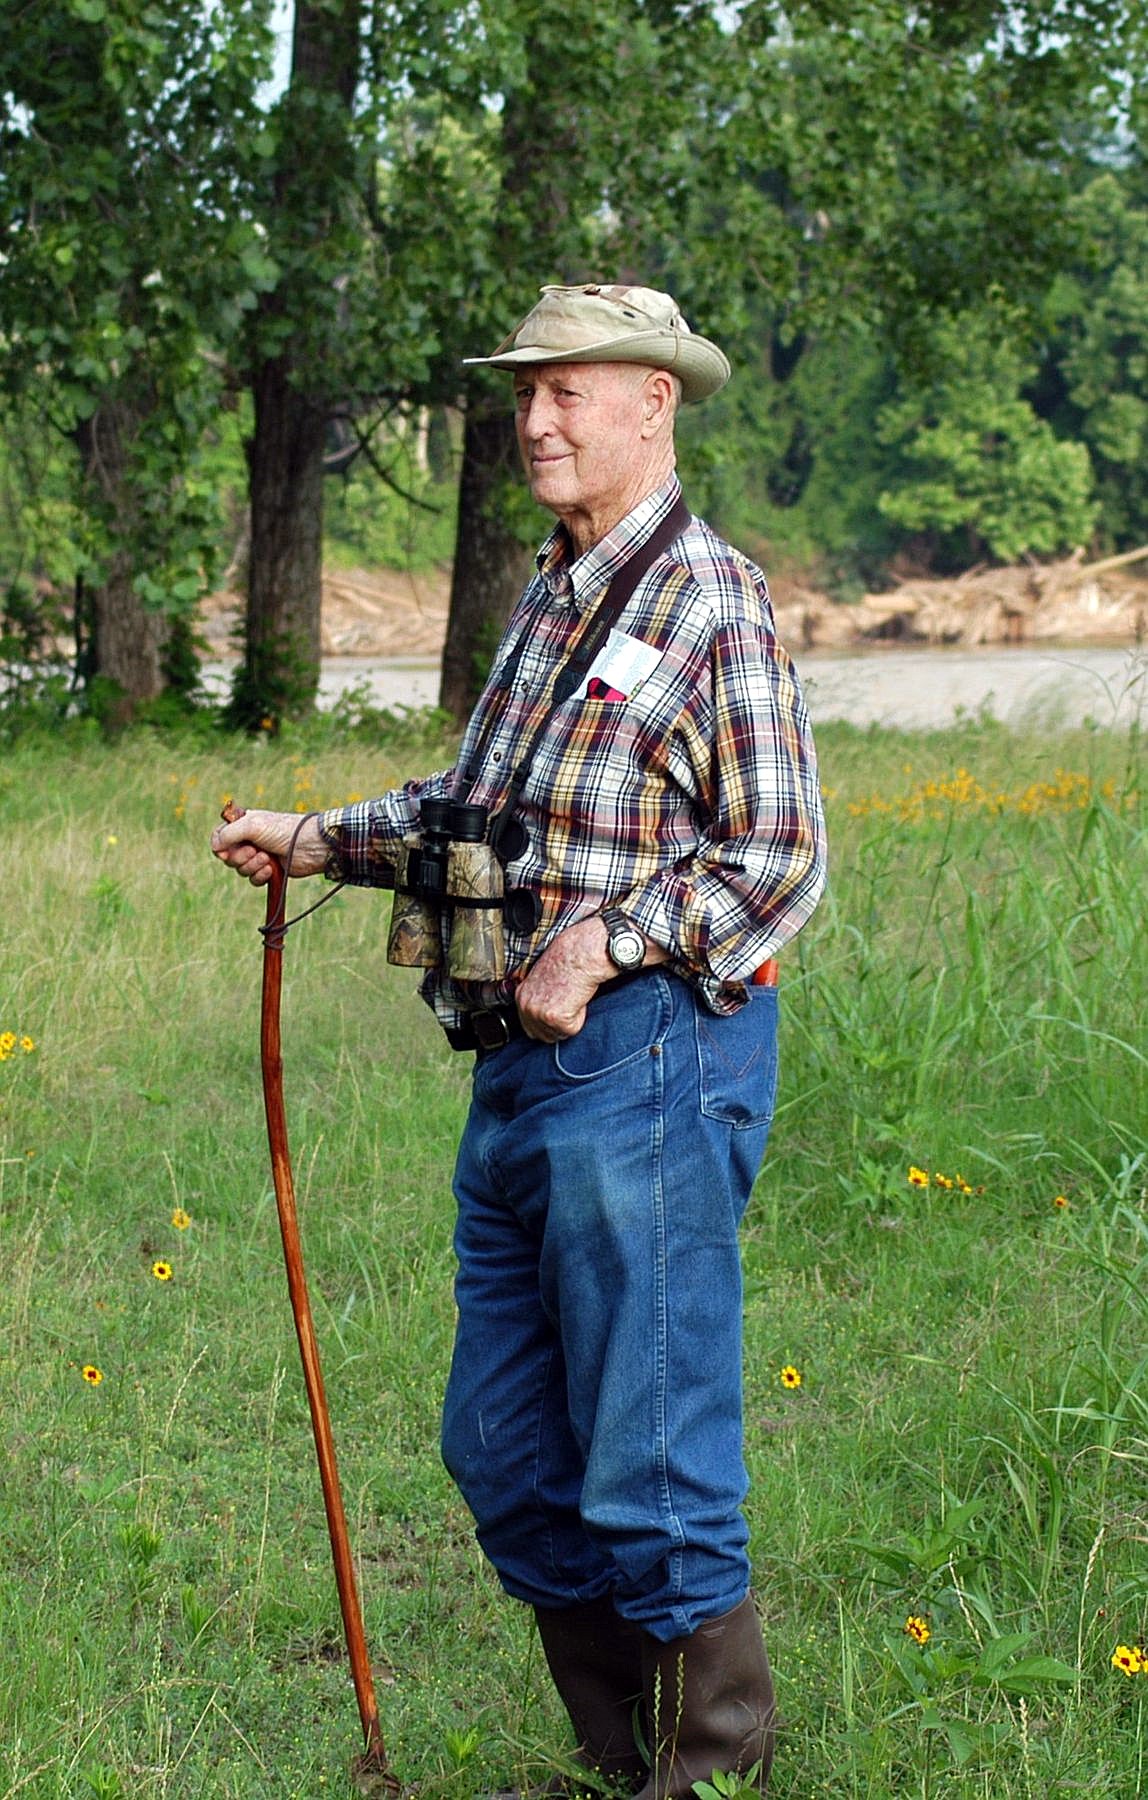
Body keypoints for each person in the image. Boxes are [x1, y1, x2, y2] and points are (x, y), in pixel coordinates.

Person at [212, 282, 827, 1797]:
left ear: (654, 404)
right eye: (525, 394)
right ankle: (624, 1758)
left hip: (654, 1061)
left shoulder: (713, 600)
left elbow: (781, 854)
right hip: (516, 1078)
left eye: (568, 391)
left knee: (651, 1454)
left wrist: (607, 940)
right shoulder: (551, 596)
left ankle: (712, 1768)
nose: (536, 421)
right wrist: (315, 837)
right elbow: (472, 814)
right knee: (501, 1447)